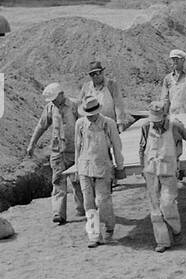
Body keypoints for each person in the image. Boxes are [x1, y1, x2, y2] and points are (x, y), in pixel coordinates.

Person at [138, 99, 186, 252]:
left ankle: (176, 230)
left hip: (169, 171)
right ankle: (162, 242)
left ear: (165, 116)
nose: (156, 123)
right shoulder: (146, 126)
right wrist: (142, 167)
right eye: (154, 120)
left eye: (159, 120)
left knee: (167, 204)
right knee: (155, 209)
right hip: (151, 171)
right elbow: (142, 147)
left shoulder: (175, 126)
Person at [26, 82, 85, 225]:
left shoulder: (74, 105)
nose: (52, 101)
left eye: (54, 98)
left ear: (61, 94)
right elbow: (41, 126)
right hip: (57, 152)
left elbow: (85, 124)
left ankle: (83, 208)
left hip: (75, 150)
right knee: (58, 181)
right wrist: (32, 144)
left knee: (77, 181)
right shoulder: (50, 108)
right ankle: (59, 213)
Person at [74, 95, 126, 249]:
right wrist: (77, 169)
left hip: (103, 167)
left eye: (92, 113)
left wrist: (120, 166)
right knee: (88, 202)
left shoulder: (108, 124)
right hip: (84, 167)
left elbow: (117, 146)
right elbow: (78, 147)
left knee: (102, 200)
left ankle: (108, 226)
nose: (90, 117)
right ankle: (94, 235)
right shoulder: (80, 124)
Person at [81, 59, 132, 130]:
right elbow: (82, 106)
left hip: (109, 125)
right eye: (92, 74)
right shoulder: (86, 87)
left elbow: (118, 104)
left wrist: (120, 124)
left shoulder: (111, 85)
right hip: (92, 126)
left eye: (97, 73)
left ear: (102, 72)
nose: (95, 76)